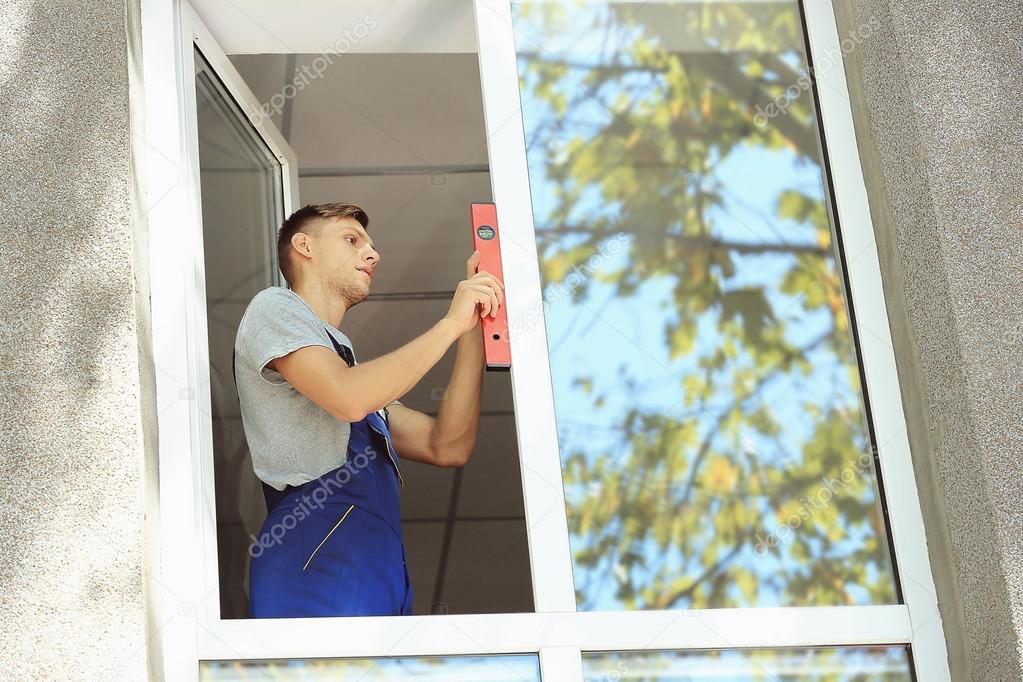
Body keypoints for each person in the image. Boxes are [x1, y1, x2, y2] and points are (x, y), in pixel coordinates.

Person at [233, 202, 503, 618]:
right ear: (303, 246)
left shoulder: (352, 373)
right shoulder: (274, 307)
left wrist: (471, 331)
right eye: (352, 239)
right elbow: (348, 397)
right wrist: (448, 324)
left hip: (377, 567)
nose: (373, 254)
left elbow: (446, 445)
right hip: (318, 557)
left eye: (370, 245)